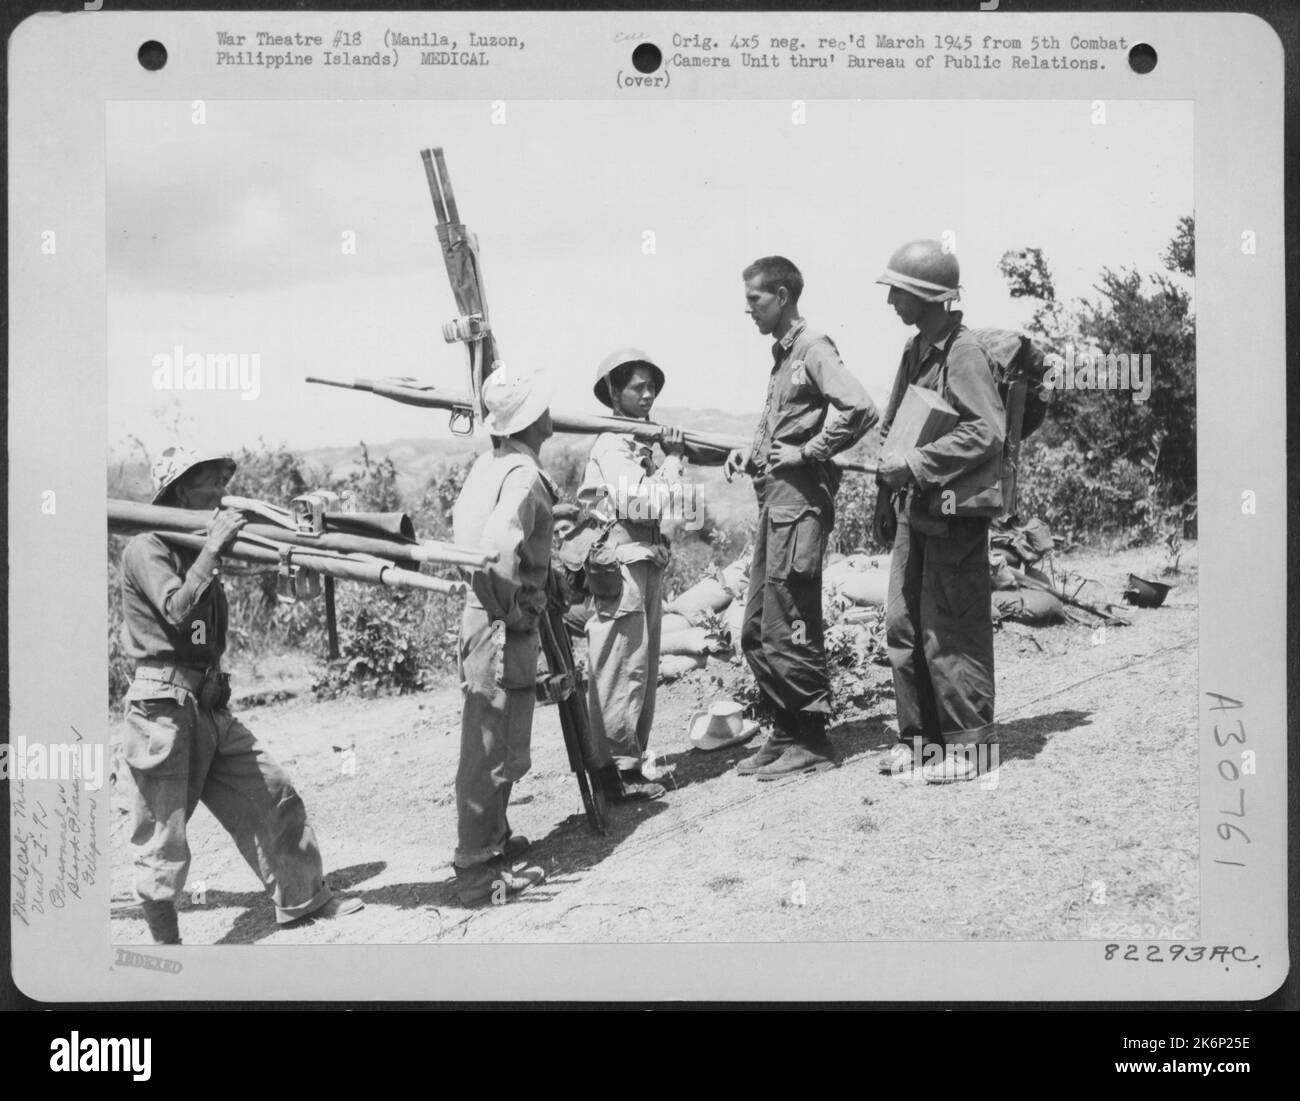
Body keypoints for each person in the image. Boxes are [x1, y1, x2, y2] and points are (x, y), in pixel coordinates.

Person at [120, 446, 363, 944]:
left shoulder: (195, 542)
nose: (220, 493)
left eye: (220, 481)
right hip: (162, 708)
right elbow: (178, 611)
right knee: (163, 837)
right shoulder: (147, 546)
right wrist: (212, 550)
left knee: (271, 793)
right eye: (209, 482)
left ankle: (302, 898)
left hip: (208, 704)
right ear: (179, 490)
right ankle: (167, 950)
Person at [723, 256, 878, 779]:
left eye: (755, 300)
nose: (748, 310)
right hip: (776, 505)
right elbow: (779, 429)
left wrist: (810, 452)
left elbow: (860, 409)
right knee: (756, 629)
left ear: (783, 296)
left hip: (800, 507)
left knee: (791, 620)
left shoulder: (814, 349)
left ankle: (812, 738)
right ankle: (787, 729)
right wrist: (753, 453)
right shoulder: (783, 357)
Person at [872, 240, 1005, 784]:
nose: (891, 303)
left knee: (950, 627)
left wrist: (919, 465)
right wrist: (886, 496)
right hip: (915, 506)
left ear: (927, 294)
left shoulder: (964, 353)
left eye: (897, 292)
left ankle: (970, 749)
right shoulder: (915, 350)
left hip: (953, 510)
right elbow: (893, 425)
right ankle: (921, 740)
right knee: (903, 624)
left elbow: (987, 431)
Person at [450, 368, 556, 905]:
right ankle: (474, 871)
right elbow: (495, 548)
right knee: (492, 740)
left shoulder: (489, 465)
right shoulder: (523, 475)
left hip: (481, 612)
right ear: (533, 419)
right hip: (500, 618)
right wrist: (511, 608)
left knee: (494, 730)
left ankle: (492, 838)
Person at [577, 348, 688, 803]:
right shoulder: (612, 444)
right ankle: (615, 771)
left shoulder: (640, 444)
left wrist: (671, 461)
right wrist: (674, 462)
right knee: (620, 666)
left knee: (640, 666)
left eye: (651, 386)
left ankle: (628, 762)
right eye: (636, 386)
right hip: (619, 566)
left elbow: (682, 508)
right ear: (614, 392)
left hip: (644, 559)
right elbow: (643, 504)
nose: (647, 394)